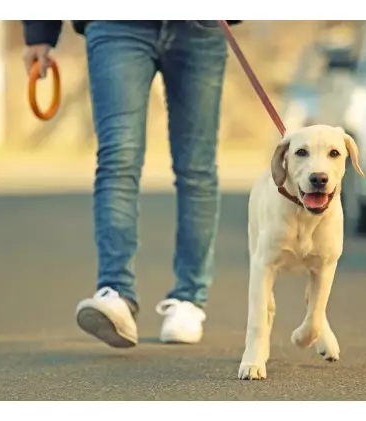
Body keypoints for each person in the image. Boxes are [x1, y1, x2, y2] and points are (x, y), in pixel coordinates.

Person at [21, 20, 241, 348]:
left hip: (199, 23)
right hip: (116, 21)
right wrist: (40, 32)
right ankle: (115, 293)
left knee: (197, 166)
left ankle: (189, 300)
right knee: (117, 158)